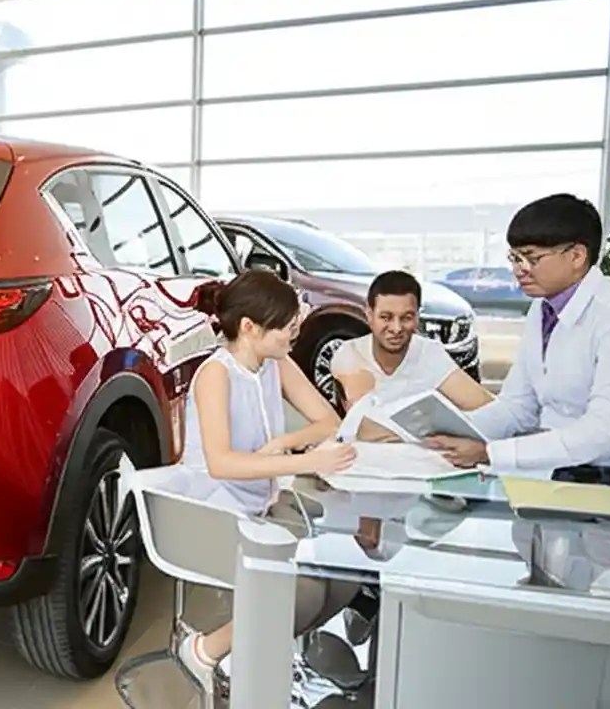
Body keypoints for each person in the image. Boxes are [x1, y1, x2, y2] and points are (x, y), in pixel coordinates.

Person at [178, 269, 359, 691]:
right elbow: (221, 464)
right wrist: (304, 462)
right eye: (285, 330)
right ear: (249, 328)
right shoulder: (216, 375)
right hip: (211, 508)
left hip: (259, 504)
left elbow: (326, 420)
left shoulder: (275, 364)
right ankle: (205, 651)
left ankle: (264, 651)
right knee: (304, 592)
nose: (291, 339)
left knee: (347, 573)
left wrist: (283, 442)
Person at [427, 194, 610, 473]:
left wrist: (489, 453)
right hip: (554, 468)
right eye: (515, 258)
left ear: (577, 256)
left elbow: (608, 431)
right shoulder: (541, 309)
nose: (519, 270)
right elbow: (517, 408)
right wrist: (453, 431)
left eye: (532, 258)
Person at [331, 271, 493, 443]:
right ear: (369, 315)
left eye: (406, 318)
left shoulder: (429, 353)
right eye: (386, 317)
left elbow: (485, 406)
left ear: (417, 317)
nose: (396, 328)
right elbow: (366, 426)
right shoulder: (351, 353)